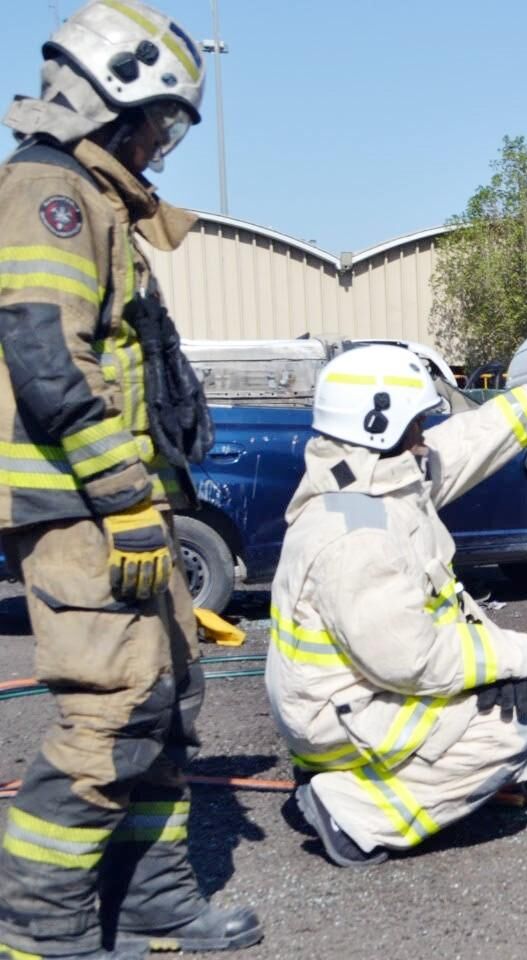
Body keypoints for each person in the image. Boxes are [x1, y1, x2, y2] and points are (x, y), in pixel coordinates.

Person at [0, 3, 265, 957]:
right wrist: (121, 499)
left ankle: (152, 903)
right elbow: (46, 355)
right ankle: (41, 931)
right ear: (112, 96)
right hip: (80, 509)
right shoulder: (47, 190)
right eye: (161, 117)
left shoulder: (101, 199)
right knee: (108, 710)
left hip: (121, 505)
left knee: (164, 705)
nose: (164, 141)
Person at [266, 331, 527, 867]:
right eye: (418, 425)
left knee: (511, 683)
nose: (426, 438)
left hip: (346, 698)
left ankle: (345, 779)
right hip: (341, 718)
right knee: (507, 727)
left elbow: (471, 439)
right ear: (380, 426)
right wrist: (517, 657)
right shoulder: (359, 535)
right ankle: (355, 815)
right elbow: (411, 659)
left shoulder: (376, 481)